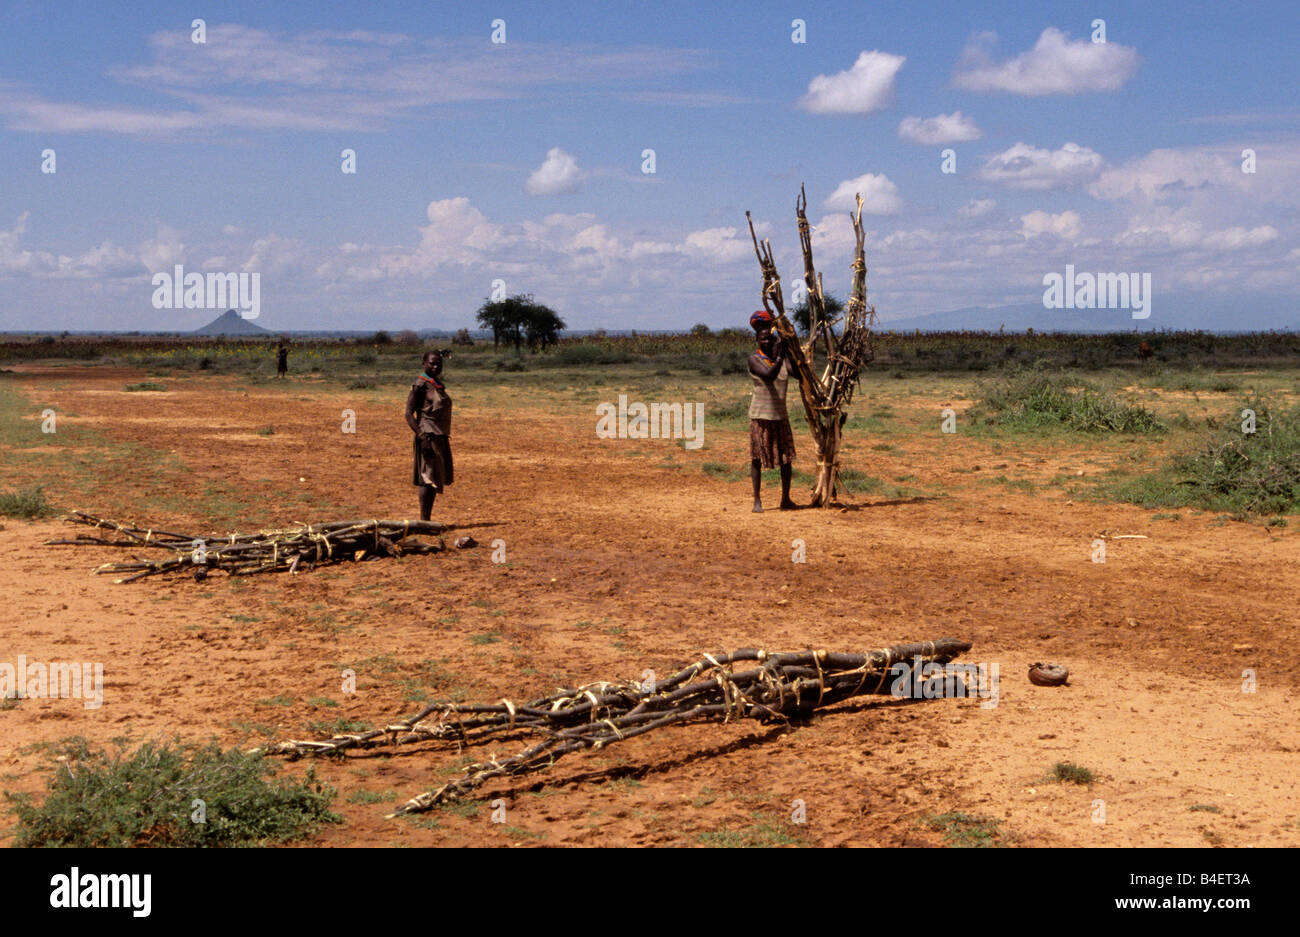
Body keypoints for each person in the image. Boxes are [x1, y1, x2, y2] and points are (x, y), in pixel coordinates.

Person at [747, 310, 797, 512]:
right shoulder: (754, 359)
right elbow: (768, 375)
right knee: (757, 458)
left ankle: (785, 499)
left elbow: (798, 375)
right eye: (763, 339)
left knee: (786, 460)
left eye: (770, 339)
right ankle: (757, 500)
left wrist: (791, 350)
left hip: (780, 415)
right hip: (761, 416)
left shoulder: (782, 359)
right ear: (757, 340)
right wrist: (781, 355)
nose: (766, 342)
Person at [404, 349, 454, 521]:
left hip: (439, 437)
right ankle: (424, 521)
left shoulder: (437, 384)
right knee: (427, 478)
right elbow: (409, 414)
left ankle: (427, 519)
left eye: (438, 363)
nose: (435, 366)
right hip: (428, 437)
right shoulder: (420, 385)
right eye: (432, 363)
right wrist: (421, 435)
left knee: (434, 479)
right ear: (423, 363)